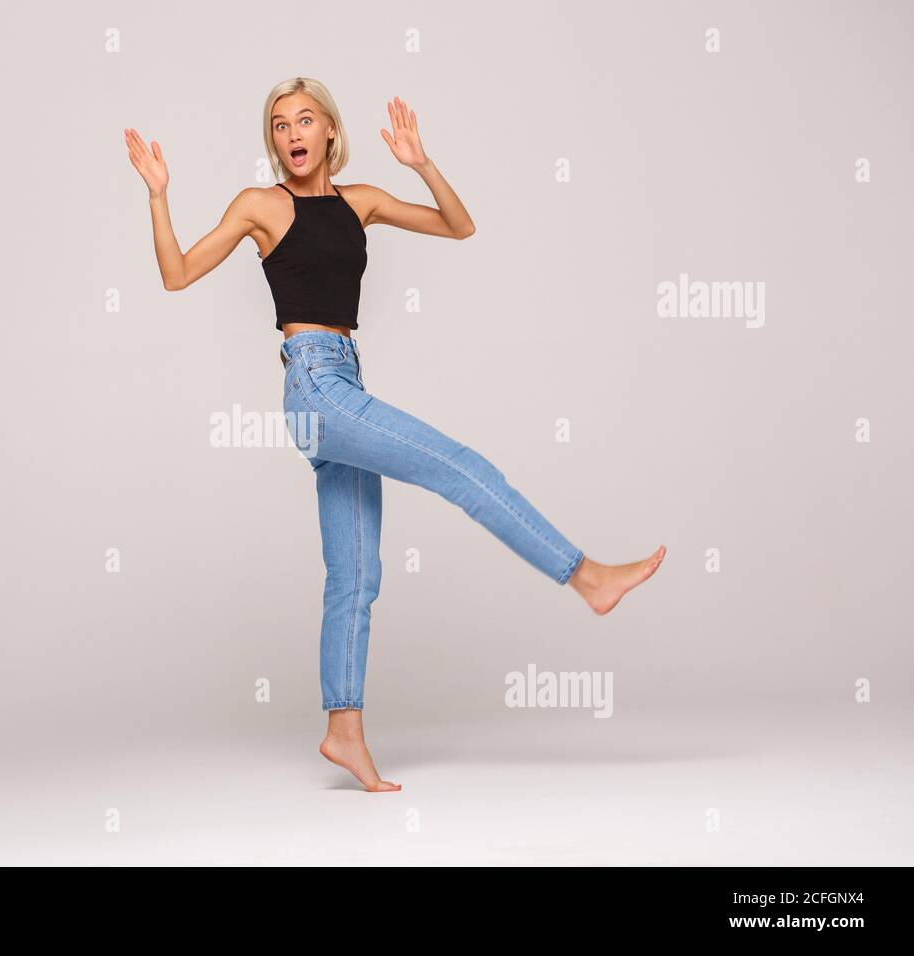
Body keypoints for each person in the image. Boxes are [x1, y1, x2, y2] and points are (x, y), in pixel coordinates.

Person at [124, 77, 665, 792]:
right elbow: (176, 274)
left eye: (305, 119)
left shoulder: (361, 201)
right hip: (314, 385)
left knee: (354, 576)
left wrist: (422, 163)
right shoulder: (261, 206)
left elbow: (458, 225)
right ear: (273, 140)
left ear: (328, 133)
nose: (292, 132)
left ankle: (343, 732)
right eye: (280, 123)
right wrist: (159, 194)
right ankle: (585, 575)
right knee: (456, 464)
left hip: (346, 380)